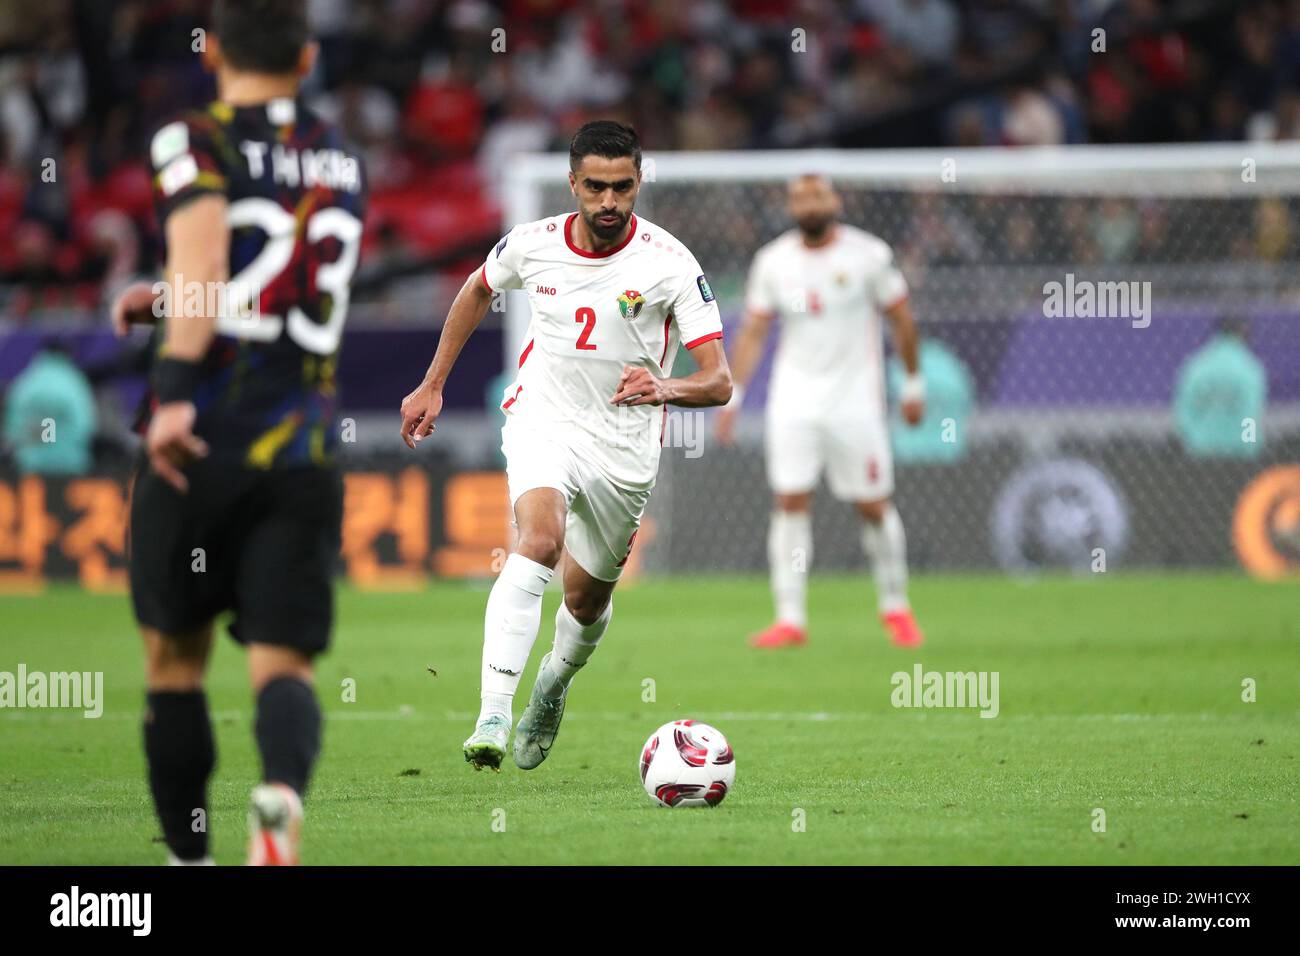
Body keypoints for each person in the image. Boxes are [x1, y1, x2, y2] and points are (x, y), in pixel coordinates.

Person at [112, 0, 367, 865]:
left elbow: (208, 255)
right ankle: (282, 798)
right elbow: (272, 275)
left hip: (203, 444)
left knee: (176, 667)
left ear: (213, 50)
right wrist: (165, 300)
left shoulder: (195, 136)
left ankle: (192, 860)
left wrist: (176, 386)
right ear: (305, 59)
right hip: (305, 452)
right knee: (283, 665)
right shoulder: (341, 154)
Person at [399, 120, 732, 772]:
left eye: (624, 187)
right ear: (573, 183)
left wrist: (664, 387)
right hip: (543, 417)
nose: (610, 202)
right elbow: (476, 290)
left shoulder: (670, 264)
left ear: (638, 183)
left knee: (585, 600)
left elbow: (718, 381)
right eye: (597, 187)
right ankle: (492, 712)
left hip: (624, 447)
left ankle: (551, 685)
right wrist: (432, 383)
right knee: (539, 540)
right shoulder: (532, 245)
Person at [716, 174, 925, 649]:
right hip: (794, 401)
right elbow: (754, 331)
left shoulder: (869, 255)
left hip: (857, 402)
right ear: (790, 206)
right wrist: (734, 396)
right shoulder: (773, 261)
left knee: (872, 505)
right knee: (789, 500)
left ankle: (896, 606)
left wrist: (912, 384)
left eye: (818, 195)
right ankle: (790, 618)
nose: (809, 204)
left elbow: (902, 320)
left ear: (836, 200)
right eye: (799, 197)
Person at [2, 342, 97, 476]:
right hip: (70, 466)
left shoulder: (25, 383)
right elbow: (86, 426)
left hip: (30, 468)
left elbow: (12, 429)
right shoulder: (74, 382)